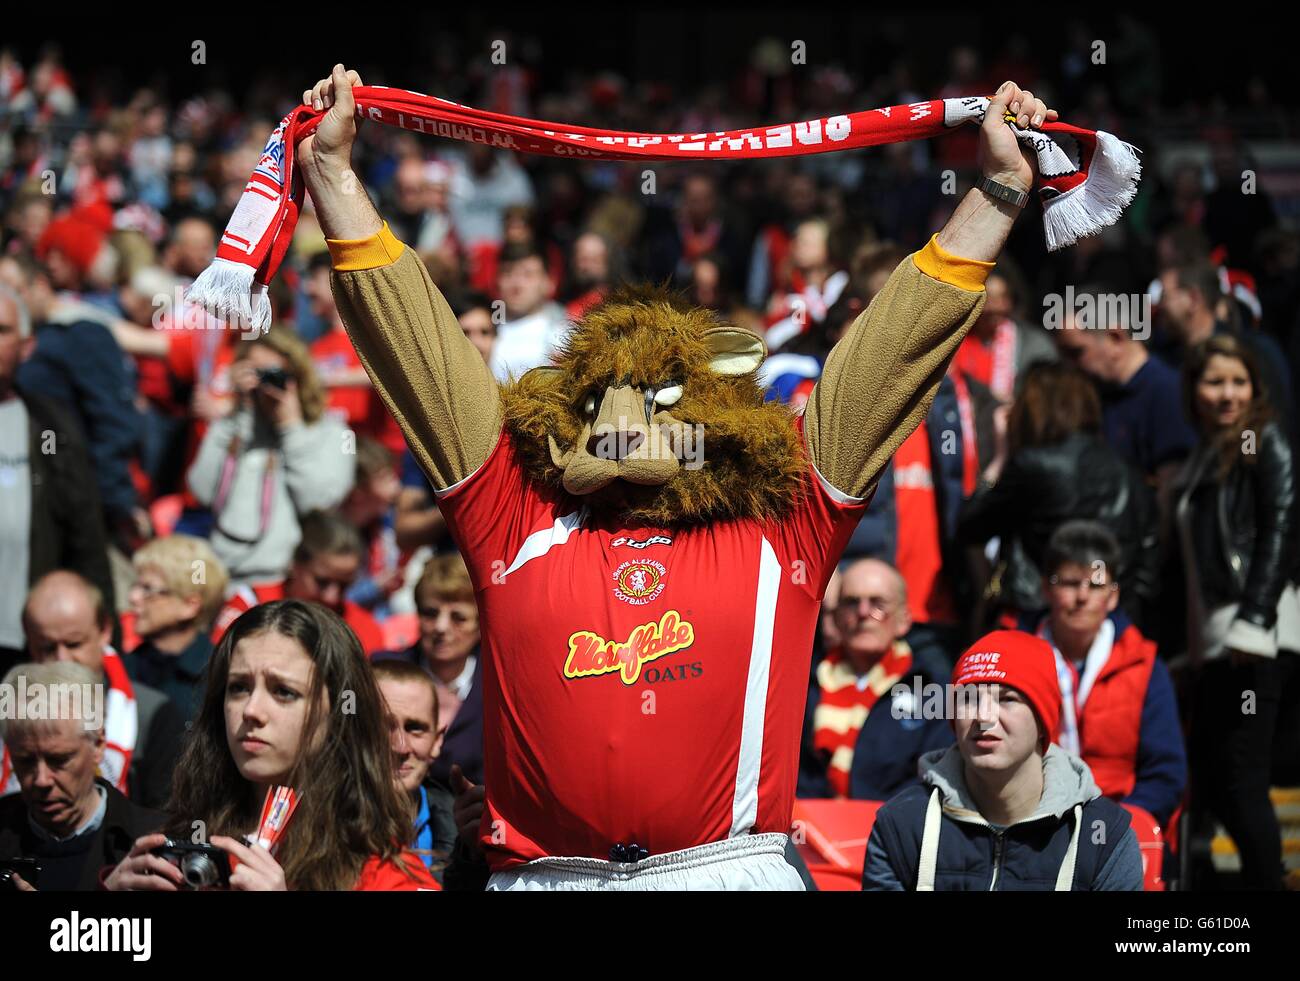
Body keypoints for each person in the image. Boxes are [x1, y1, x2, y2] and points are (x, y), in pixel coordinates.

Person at [306, 65, 1061, 890]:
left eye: (657, 395)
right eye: (601, 397)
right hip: (546, 875)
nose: (626, 418)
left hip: (726, 871)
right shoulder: (512, 512)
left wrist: (996, 191)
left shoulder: (785, 515)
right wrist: (335, 176)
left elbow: (884, 357)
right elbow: (421, 353)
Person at [104, 599, 438, 890]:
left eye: (283, 691)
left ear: (338, 713)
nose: (251, 710)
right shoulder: (180, 843)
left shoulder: (388, 874)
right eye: (238, 687)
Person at [863, 630, 1144, 890]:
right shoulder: (902, 825)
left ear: (1043, 721)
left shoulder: (1104, 837)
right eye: (968, 700)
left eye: (1006, 699)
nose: (984, 717)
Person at [1172, 334, 1299, 890]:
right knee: (1215, 776)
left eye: (1238, 381)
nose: (1227, 394)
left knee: (1242, 778)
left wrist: (1255, 616)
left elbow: (1282, 523)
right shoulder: (1208, 450)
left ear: (1256, 386)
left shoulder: (1258, 438)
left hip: (1254, 638)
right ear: (1193, 389)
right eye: (1214, 381)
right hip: (1218, 643)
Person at [957, 361, 1160, 632]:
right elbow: (1149, 551)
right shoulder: (1127, 470)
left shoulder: (1031, 465)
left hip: (1038, 618)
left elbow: (969, 526)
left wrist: (1000, 457)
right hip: (1110, 620)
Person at [1020, 521, 1186, 826]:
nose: (1082, 597)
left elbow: (1166, 772)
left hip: (1117, 821)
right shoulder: (1013, 660)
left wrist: (1120, 824)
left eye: (1095, 585)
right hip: (1031, 821)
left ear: (1112, 597)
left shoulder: (1145, 665)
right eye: (1070, 583)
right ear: (1046, 588)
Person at [0, 282, 115, 676]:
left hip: (34, 645)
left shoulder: (50, 426)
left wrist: (103, 631)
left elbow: (85, 534)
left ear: (27, 347)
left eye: (2, 331)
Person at [186, 326, 354, 586]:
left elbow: (318, 503)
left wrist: (291, 426)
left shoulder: (331, 433)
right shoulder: (235, 427)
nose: (265, 383)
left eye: (274, 374)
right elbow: (201, 490)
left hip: (285, 583)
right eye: (255, 373)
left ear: (297, 376)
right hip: (222, 578)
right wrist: (238, 415)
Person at [1, 571, 185, 810]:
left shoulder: (151, 715)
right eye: (46, 647)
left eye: (74, 644)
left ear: (105, 630)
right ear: (29, 639)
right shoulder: (9, 706)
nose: (62, 659)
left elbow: (165, 817)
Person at [798, 559, 953, 802]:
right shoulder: (802, 683)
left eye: (877, 604)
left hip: (893, 830)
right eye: (851, 603)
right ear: (836, 617)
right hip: (807, 827)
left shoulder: (933, 690)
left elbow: (935, 773)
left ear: (903, 620)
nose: (863, 613)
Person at [0, 661, 163, 891]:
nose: (41, 780)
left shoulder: (153, 844)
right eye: (25, 761)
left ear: (98, 745)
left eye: (59, 760)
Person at [1053, 286, 1197, 526]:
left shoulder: (1166, 392)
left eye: (1077, 352)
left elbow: (1170, 490)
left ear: (1115, 338)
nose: (1070, 365)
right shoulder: (1099, 393)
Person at [372, 552, 483, 785]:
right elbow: (345, 713)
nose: (441, 627)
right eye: (430, 613)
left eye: (458, 617)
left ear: (481, 625)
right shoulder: (379, 669)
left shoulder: (500, 685)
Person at [211, 510, 385, 655]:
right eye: (322, 582)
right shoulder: (250, 604)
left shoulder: (364, 629)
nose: (332, 596)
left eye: (345, 585)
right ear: (295, 565)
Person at [122, 535, 229, 723]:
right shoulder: (124, 668)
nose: (133, 597)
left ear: (190, 605)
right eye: (136, 585)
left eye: (148, 589)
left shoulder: (219, 679)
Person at [374, 659, 456, 878]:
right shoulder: (317, 829)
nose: (400, 747)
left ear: (437, 741)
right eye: (383, 727)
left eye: (415, 729)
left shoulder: (466, 839)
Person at [487, 241, 570, 382]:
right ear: (497, 281)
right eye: (508, 274)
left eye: (528, 274)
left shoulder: (563, 335)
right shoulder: (482, 329)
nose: (516, 284)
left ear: (548, 283)